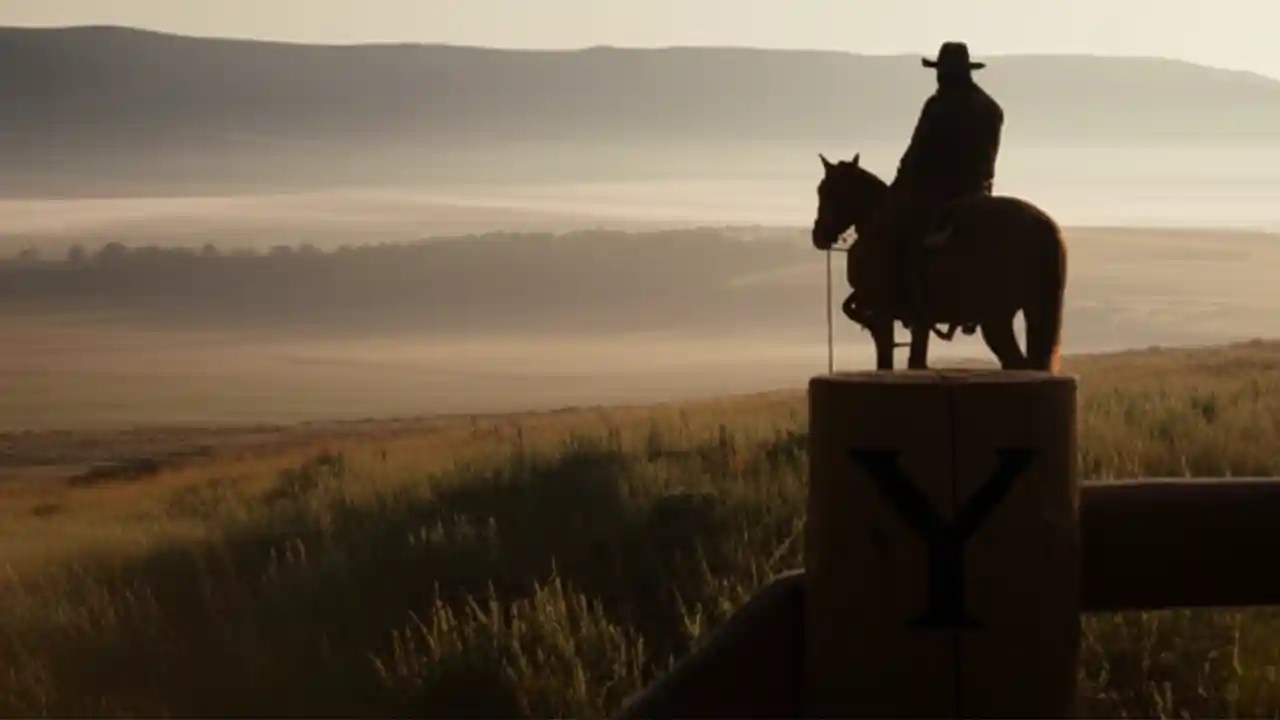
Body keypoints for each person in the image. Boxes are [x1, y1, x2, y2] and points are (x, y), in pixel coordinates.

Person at [880, 41, 1004, 323]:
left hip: (941, 192)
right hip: (979, 191)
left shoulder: (938, 106)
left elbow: (917, 152)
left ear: (946, 73)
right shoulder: (990, 107)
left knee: (901, 235)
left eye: (940, 72)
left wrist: (899, 186)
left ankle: (910, 302)